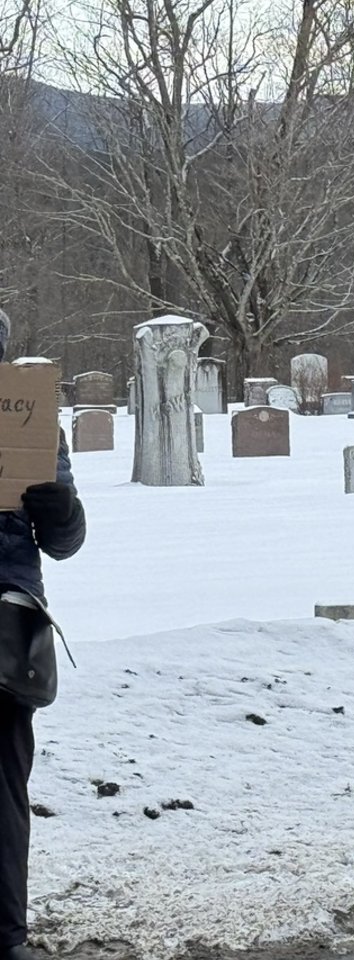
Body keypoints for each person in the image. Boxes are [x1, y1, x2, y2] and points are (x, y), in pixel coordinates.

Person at [0, 308, 87, 960]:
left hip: (2, 619)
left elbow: (64, 540)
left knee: (1, 789)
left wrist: (56, 503)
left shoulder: (23, 417)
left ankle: (4, 936)